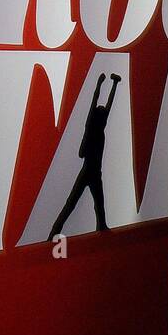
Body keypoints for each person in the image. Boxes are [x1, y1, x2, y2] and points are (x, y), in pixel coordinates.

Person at [49, 73, 120, 238]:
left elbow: (106, 104)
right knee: (72, 203)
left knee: (96, 204)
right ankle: (55, 231)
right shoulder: (94, 127)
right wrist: (102, 83)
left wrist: (110, 84)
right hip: (89, 171)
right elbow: (97, 102)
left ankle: (101, 226)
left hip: (94, 172)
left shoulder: (97, 126)